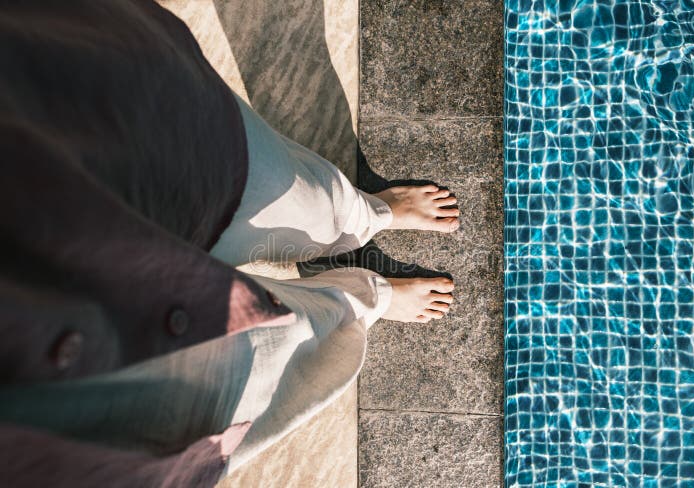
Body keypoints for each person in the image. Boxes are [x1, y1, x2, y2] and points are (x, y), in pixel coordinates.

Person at [0, 1, 459, 486]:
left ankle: (359, 218)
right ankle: (366, 292)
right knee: (288, 337)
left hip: (62, 117)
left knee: (278, 192)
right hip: (83, 410)